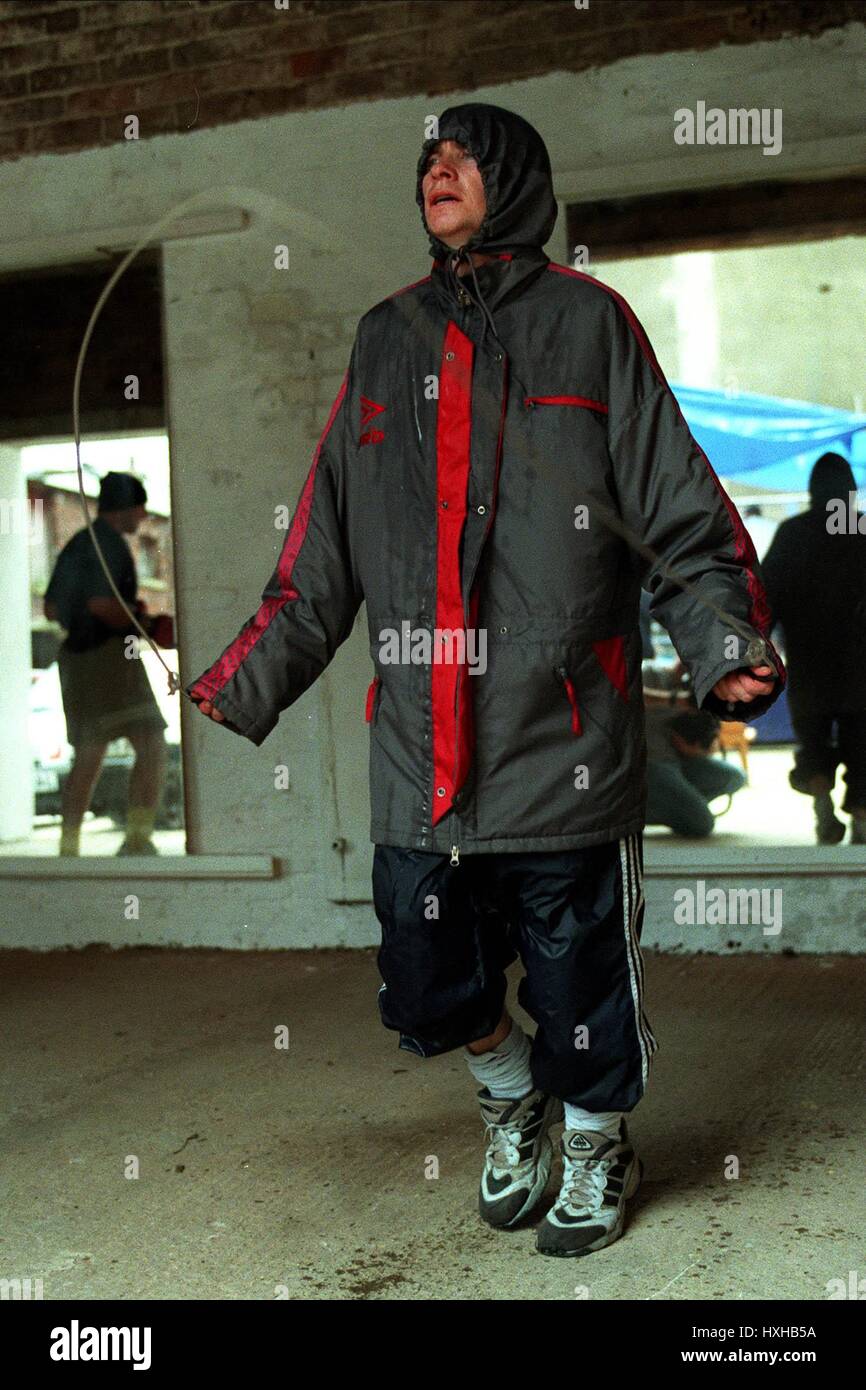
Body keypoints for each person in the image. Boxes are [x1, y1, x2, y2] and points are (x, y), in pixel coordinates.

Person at [187, 104, 783, 1257]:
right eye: (425, 161)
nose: (436, 172)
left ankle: (596, 1136)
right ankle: (510, 1096)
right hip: (421, 756)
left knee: (577, 989)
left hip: (557, 742)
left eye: (460, 157)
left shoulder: (587, 327)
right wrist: (246, 677)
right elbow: (321, 545)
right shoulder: (383, 339)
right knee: (422, 985)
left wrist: (726, 647)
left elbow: (676, 515)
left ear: (512, 179)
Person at [44, 471, 168, 856]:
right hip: (111, 660)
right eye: (140, 507)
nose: (143, 515)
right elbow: (101, 605)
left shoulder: (80, 544)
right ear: (127, 508)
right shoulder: (110, 546)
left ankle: (68, 846)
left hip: (77, 661)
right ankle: (136, 837)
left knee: (90, 750)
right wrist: (143, 622)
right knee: (151, 744)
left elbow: (51, 607)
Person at [761, 452, 866, 845]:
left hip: (810, 661)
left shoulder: (793, 532)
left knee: (813, 737)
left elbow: (766, 595)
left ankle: (822, 803)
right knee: (863, 738)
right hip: (860, 664)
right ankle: (861, 817)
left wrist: (757, 642)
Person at [643, 660, 746, 836]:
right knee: (702, 824)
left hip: (682, 761)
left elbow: (712, 741)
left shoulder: (708, 690)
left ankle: (681, 808)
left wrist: (697, 750)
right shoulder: (649, 673)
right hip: (650, 763)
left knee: (734, 777)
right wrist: (682, 702)